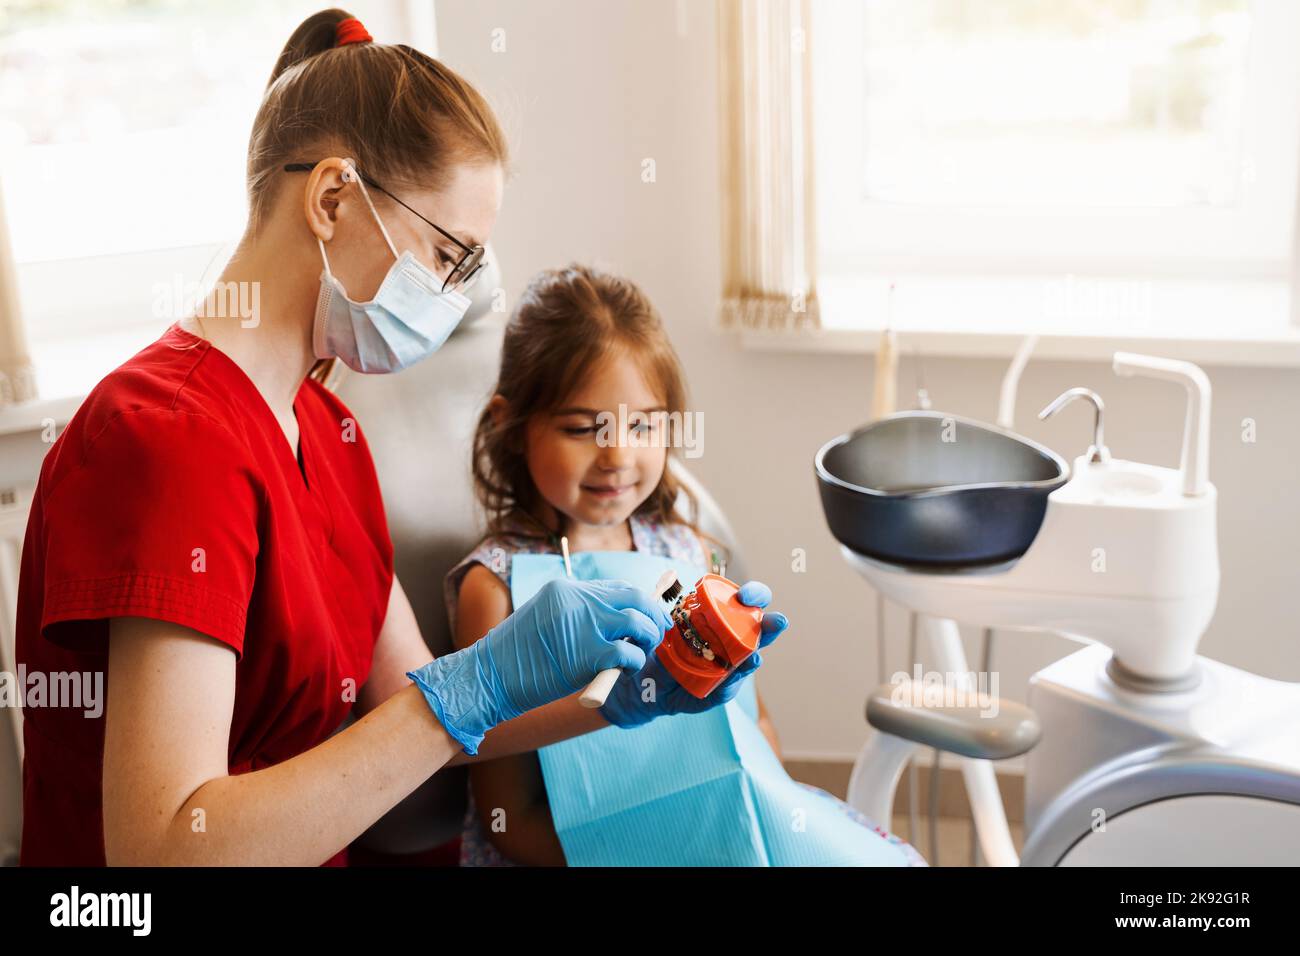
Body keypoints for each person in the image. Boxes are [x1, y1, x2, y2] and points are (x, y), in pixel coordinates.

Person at [13, 9, 785, 866]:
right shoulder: (162, 441)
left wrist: (621, 697)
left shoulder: (329, 430)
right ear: (333, 198)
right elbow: (163, 850)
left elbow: (418, 710)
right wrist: (476, 682)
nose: (457, 301)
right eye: (448, 257)